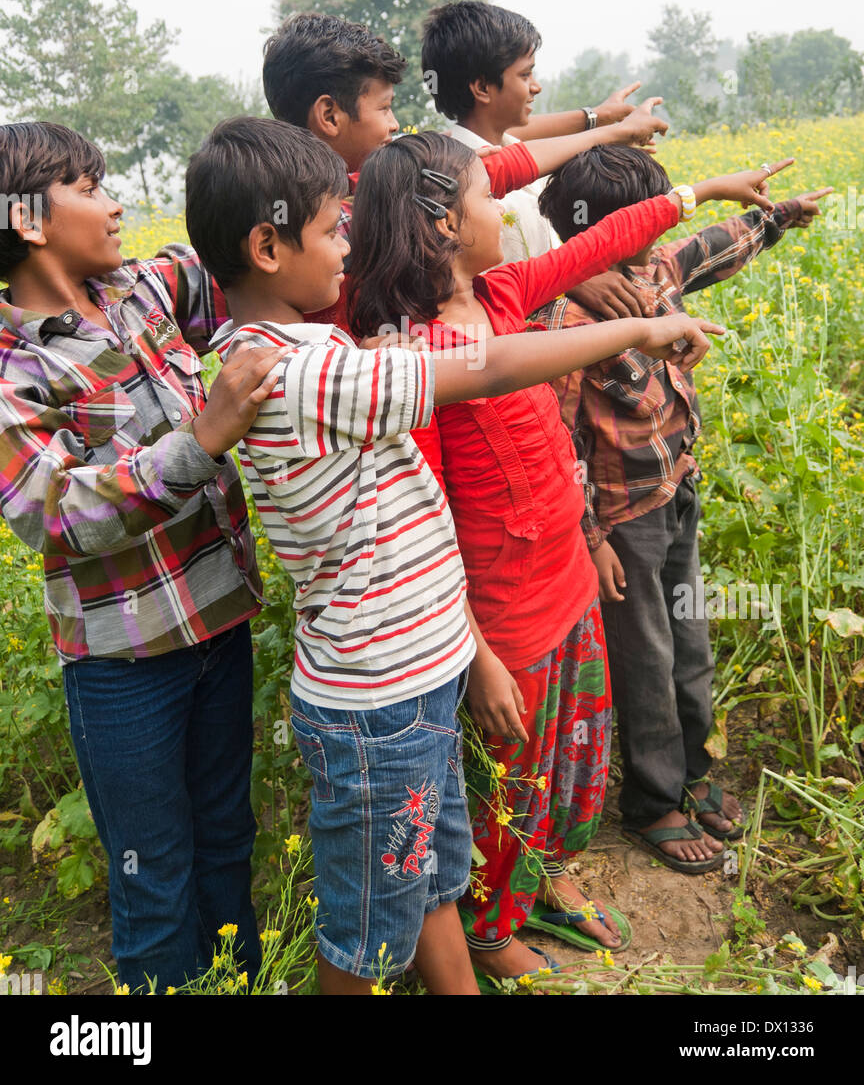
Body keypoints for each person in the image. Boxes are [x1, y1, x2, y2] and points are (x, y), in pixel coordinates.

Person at [184, 116, 716, 995]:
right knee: (368, 928)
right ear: (268, 246)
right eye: (330, 230)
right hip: (377, 695)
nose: (347, 245)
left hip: (416, 664)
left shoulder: (317, 350)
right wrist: (633, 331)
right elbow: (485, 366)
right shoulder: (307, 371)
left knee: (429, 874)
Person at [348, 132, 771, 976]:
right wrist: (475, 659)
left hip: (569, 581)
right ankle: (494, 927)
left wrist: (700, 192)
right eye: (482, 195)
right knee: (513, 779)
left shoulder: (502, 293)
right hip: (505, 617)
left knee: (574, 758)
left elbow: (598, 243)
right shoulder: (413, 356)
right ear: (439, 224)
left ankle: (545, 878)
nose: (502, 207)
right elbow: (424, 519)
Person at [0, 121, 288, 991]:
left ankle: (231, 981)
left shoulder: (144, 290)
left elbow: (256, 238)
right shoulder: (14, 368)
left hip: (218, 623)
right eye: (89, 187)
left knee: (227, 835)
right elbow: (54, 511)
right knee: (151, 874)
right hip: (126, 665)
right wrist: (204, 437)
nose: (115, 202)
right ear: (28, 219)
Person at [537, 145, 831, 871]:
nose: (661, 231)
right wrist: (590, 533)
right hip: (623, 516)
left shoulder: (648, 273)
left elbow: (703, 252)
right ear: (607, 228)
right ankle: (654, 800)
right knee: (647, 656)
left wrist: (776, 221)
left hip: (676, 486)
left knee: (690, 639)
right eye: (649, 217)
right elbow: (559, 438)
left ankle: (694, 774)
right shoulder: (567, 316)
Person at [262, 10, 667, 326]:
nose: (394, 124)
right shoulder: (362, 201)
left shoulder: (363, 181)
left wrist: (597, 120)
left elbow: (510, 150)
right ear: (330, 115)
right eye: (384, 107)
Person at [420, 0, 651, 276]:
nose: (536, 87)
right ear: (482, 88)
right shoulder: (449, 179)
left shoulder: (521, 155)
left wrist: (600, 122)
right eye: (525, 74)